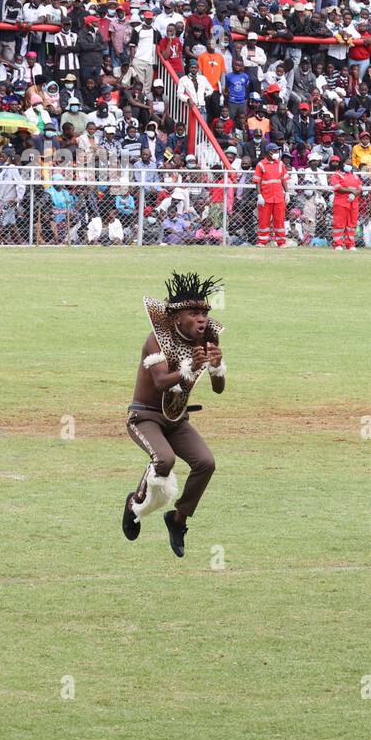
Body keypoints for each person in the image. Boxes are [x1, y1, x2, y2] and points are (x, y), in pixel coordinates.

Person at [121, 273, 226, 558]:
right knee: (164, 459)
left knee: (206, 463)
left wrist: (217, 366)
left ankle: (178, 519)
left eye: (204, 312)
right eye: (194, 313)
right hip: (145, 416)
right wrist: (189, 367)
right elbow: (160, 382)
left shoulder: (208, 339)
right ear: (178, 318)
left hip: (177, 419)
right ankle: (136, 503)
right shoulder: (157, 340)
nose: (202, 319)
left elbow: (218, 389)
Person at [252, 144, 290, 247]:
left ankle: (281, 242)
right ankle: (262, 241)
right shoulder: (261, 165)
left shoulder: (280, 164)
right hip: (265, 197)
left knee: (280, 221)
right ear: (269, 152)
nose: (277, 153)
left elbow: (283, 179)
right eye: (275, 151)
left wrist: (287, 193)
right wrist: (259, 195)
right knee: (264, 220)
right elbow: (257, 181)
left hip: (278, 197)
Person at [329, 159, 362, 251]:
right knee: (339, 224)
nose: (349, 166)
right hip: (341, 202)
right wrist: (351, 191)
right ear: (343, 164)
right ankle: (338, 244)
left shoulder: (355, 176)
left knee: (352, 224)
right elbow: (337, 187)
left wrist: (355, 193)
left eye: (351, 164)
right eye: (347, 164)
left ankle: (350, 244)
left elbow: (360, 188)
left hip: (353, 203)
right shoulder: (337, 175)